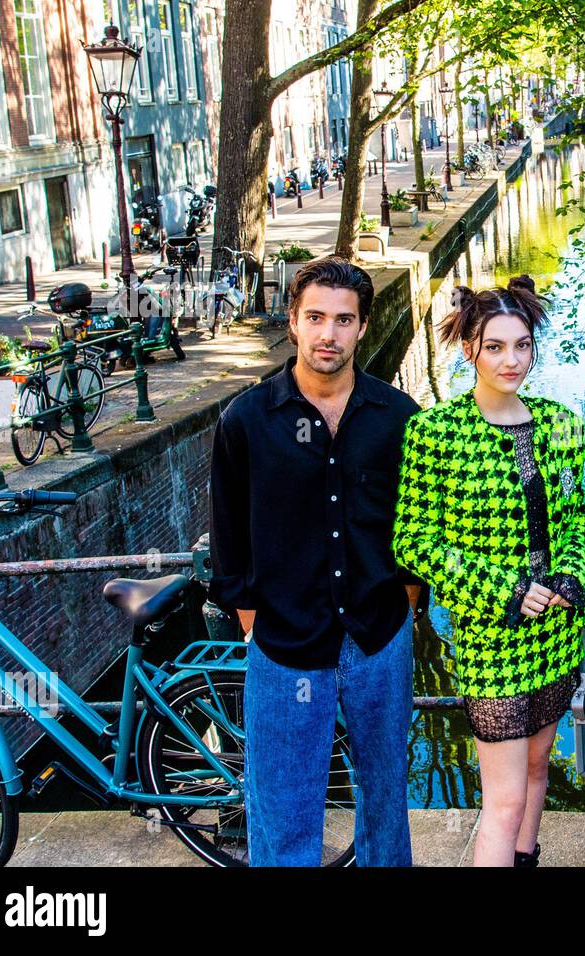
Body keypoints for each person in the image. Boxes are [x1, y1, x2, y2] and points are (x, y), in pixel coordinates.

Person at [208, 257, 424, 866]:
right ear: (294, 323)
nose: (329, 333)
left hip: (378, 636)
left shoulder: (399, 417)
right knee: (282, 806)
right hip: (284, 641)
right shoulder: (246, 422)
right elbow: (227, 532)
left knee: (385, 797)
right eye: (316, 318)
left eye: (344, 320)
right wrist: (253, 618)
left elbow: (417, 522)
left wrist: (405, 601)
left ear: (361, 327)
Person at [394, 276, 585, 867]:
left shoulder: (560, 423)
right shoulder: (435, 432)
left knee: (538, 768)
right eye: (496, 346)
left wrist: (569, 578)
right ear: (469, 350)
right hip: (492, 636)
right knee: (502, 801)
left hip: (556, 633)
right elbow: (414, 540)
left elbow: (577, 520)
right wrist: (505, 588)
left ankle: (526, 860)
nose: (512, 360)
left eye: (523, 345)